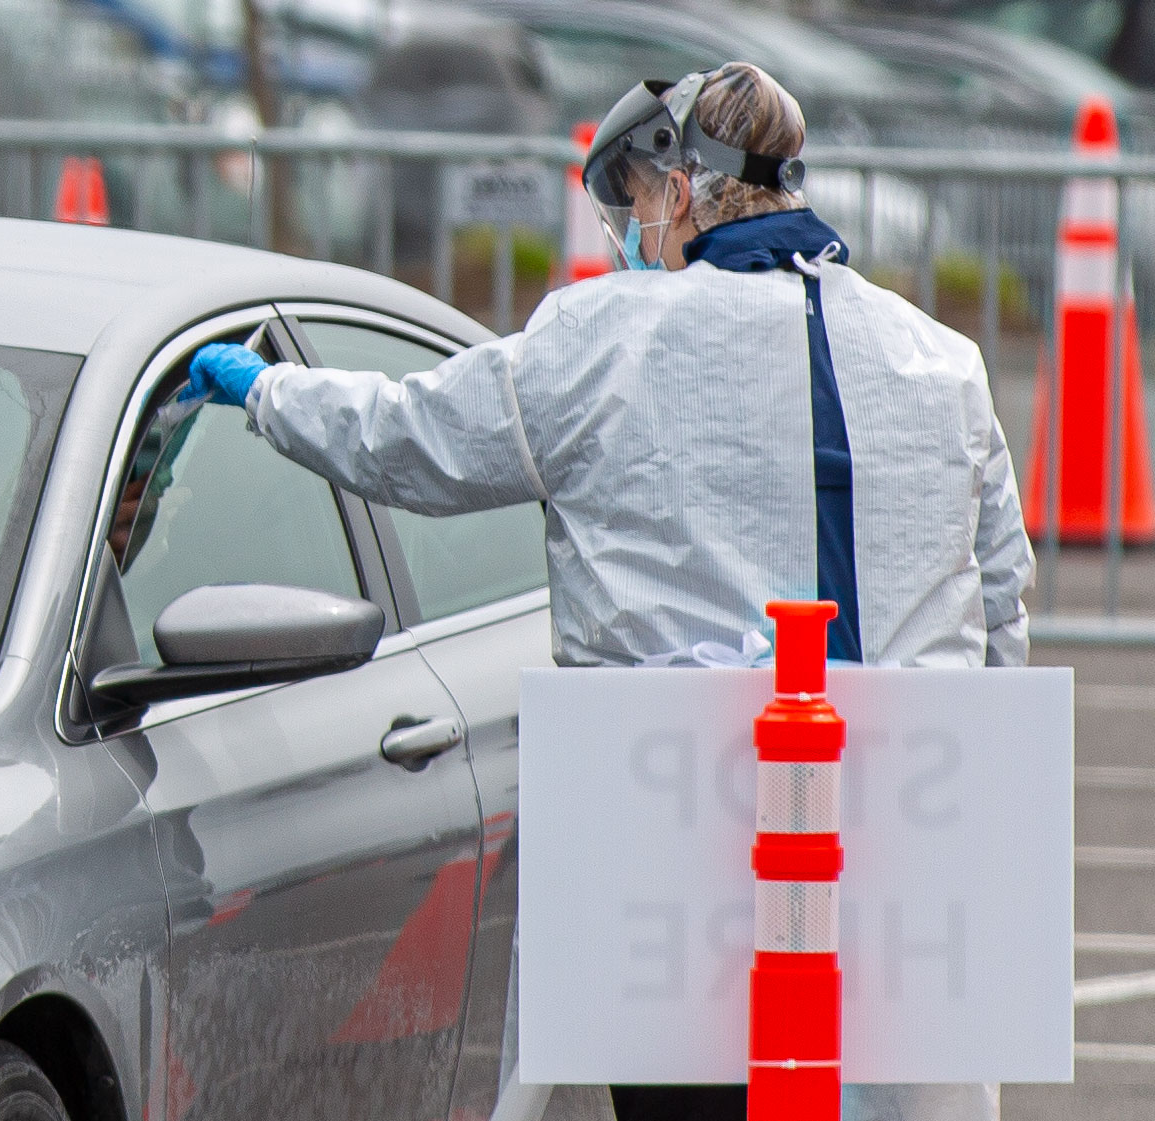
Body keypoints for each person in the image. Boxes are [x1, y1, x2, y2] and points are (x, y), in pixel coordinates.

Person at [182, 62, 1033, 1121]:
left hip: (675, 848)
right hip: (913, 842)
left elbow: (406, 437)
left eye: (631, 201)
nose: (629, 233)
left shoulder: (606, 340)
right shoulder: (942, 361)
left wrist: (263, 389)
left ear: (678, 187)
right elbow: (998, 607)